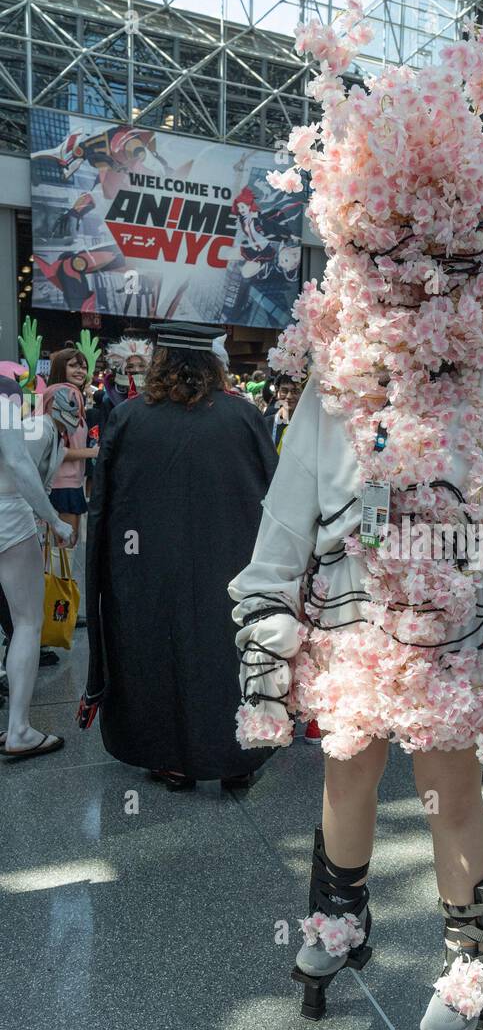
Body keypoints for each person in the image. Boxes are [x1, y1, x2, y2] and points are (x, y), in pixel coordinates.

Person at [228, 4, 483, 1030]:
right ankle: (343, 914)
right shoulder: (338, 367)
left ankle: (468, 958)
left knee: (444, 784)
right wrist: (263, 601)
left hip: (453, 625)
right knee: (347, 767)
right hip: (351, 619)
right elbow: (291, 497)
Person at [81, 323, 278, 789]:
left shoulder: (129, 417)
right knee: (226, 655)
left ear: (160, 361)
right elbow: (276, 493)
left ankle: (167, 758)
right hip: (231, 562)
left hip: (145, 566)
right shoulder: (243, 417)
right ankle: (238, 754)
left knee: (152, 651)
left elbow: (104, 503)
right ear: (213, 363)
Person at [0, 373, 74, 759]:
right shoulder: (6, 409)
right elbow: (18, 465)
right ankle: (19, 729)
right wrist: (55, 519)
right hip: (8, 519)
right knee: (27, 621)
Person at [45, 348, 99, 546]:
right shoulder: (66, 394)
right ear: (61, 367)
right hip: (63, 484)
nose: (80, 371)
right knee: (64, 550)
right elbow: (57, 449)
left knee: (61, 551)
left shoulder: (64, 393)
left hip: (67, 482)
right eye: (73, 365)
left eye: (83, 367)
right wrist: (94, 452)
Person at [86, 333, 152, 443]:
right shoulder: (110, 402)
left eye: (141, 365)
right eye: (130, 366)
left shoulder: (155, 398)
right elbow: (105, 440)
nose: (137, 370)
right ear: (121, 370)